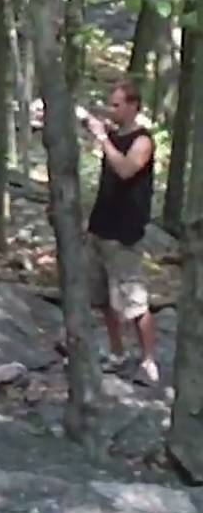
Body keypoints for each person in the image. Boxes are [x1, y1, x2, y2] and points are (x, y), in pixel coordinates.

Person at [84, 79, 158, 384]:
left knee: (135, 302)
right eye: (110, 103)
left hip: (125, 234)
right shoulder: (114, 136)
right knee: (102, 299)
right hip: (100, 228)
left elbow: (126, 169)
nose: (112, 109)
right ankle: (117, 353)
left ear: (132, 106)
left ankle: (148, 361)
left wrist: (103, 139)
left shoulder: (143, 140)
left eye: (117, 104)